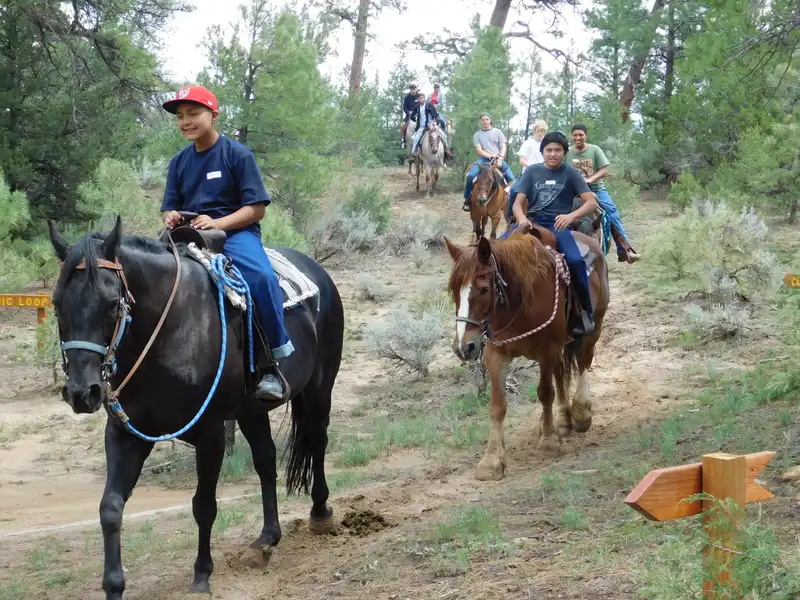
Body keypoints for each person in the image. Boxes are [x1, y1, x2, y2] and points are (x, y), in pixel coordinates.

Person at [160, 84, 293, 402]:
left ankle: (270, 364)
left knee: (261, 277)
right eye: (180, 116)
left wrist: (218, 223)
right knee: (148, 276)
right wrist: (171, 216)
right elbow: (169, 206)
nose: (186, 121)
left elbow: (256, 209)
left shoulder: (237, 155)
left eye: (193, 113)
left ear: (214, 114)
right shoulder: (179, 162)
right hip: (189, 235)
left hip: (234, 235)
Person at [510, 131, 600, 337]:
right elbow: (516, 203)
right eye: (549, 150)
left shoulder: (571, 173)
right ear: (542, 151)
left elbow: (591, 202)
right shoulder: (531, 172)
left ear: (564, 152)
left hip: (558, 226)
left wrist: (570, 216)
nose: (553, 154)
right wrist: (522, 219)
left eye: (558, 150)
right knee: (496, 256)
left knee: (576, 261)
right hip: (531, 224)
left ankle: (585, 312)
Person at [567, 124, 641, 263]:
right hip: (574, 191)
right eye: (575, 135)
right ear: (571, 136)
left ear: (585, 135)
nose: (578, 138)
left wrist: (590, 179)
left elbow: (604, 170)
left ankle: (624, 250)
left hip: (595, 189)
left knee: (611, 212)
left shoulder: (594, 150)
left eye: (581, 135)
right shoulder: (568, 152)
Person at [462, 114, 515, 212]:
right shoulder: (477, 135)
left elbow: (503, 146)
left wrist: (500, 158)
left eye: (487, 119)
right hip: (483, 159)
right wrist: (490, 156)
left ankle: (508, 201)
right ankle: (467, 199)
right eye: (483, 120)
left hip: (498, 158)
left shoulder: (498, 132)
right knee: (471, 175)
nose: (485, 121)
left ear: (490, 120)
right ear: (480, 122)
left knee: (511, 179)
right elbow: (479, 151)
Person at [506, 119, 548, 222]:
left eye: (543, 131)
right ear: (534, 131)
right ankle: (510, 216)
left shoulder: (547, 145)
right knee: (514, 190)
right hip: (528, 173)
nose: (541, 133)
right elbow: (522, 161)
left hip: (544, 173)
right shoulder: (527, 143)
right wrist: (533, 167)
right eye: (539, 130)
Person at [410, 92, 451, 159]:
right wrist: (415, 119)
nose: (420, 99)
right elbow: (412, 116)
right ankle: (413, 155)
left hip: (432, 125)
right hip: (422, 127)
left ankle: (447, 151)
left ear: (424, 98)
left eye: (422, 98)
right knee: (416, 140)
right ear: (418, 99)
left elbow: (436, 116)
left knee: (443, 136)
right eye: (419, 98)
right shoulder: (417, 107)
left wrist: (432, 123)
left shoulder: (429, 105)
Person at [400, 83, 419, 149]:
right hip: (409, 115)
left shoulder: (419, 96)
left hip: (419, 115)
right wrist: (409, 112)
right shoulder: (407, 97)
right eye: (411, 89)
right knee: (402, 125)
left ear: (416, 89)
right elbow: (404, 107)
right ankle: (403, 141)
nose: (412, 90)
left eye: (414, 89)